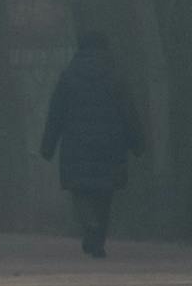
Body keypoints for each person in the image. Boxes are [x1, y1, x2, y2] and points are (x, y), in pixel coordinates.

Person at [40, 28, 145, 255]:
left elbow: (56, 113)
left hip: (77, 143)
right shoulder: (116, 75)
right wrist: (137, 143)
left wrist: (48, 146)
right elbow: (128, 112)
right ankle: (98, 240)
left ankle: (89, 224)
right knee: (105, 192)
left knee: (80, 189)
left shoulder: (68, 76)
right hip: (110, 143)